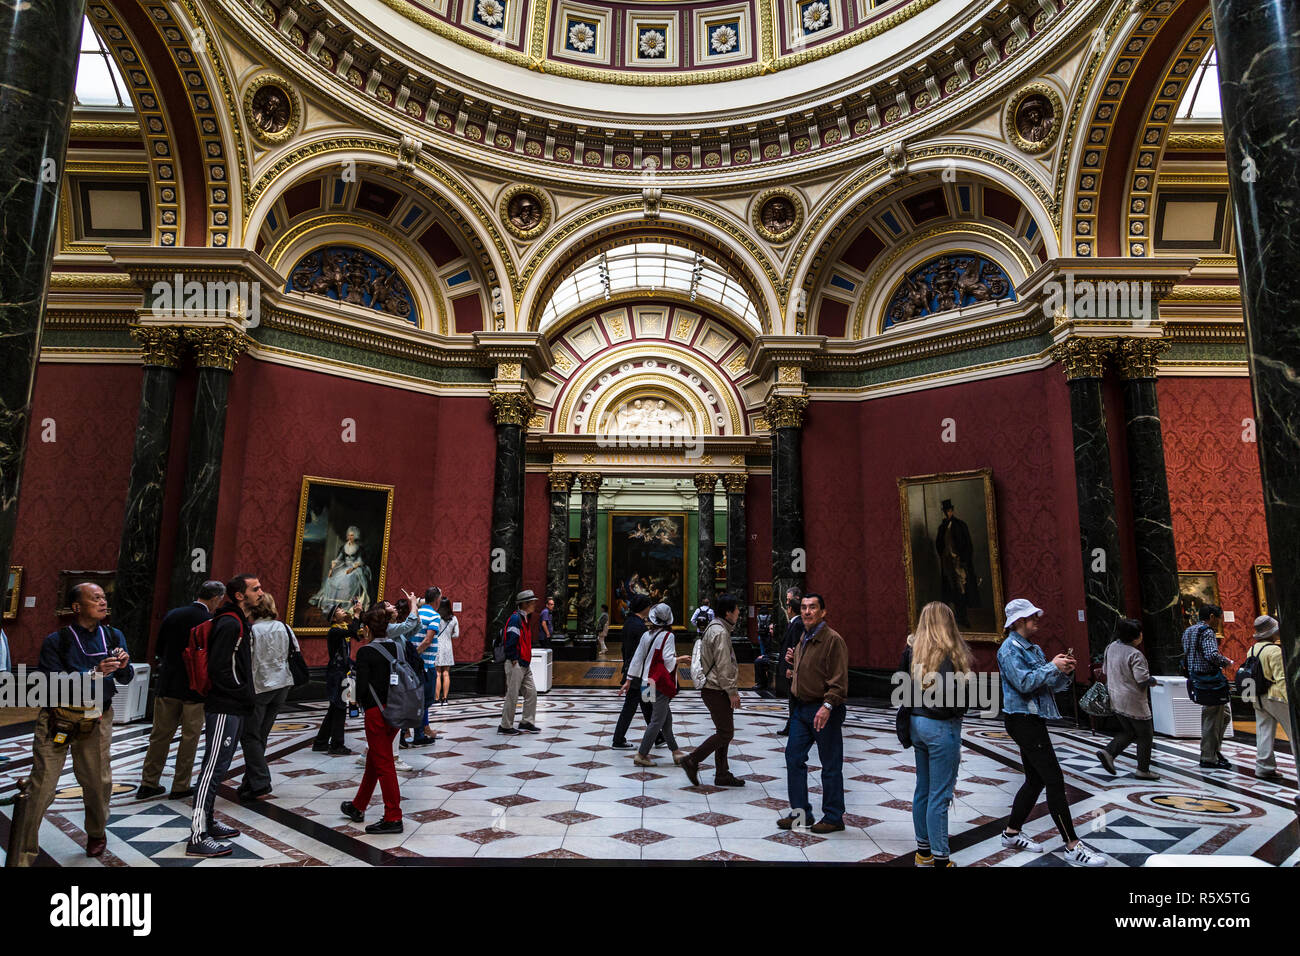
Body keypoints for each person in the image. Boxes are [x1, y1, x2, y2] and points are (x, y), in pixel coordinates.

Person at [13, 583, 134, 865]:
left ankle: (96, 831)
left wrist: (125, 665)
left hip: (97, 717)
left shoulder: (114, 635)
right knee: (42, 786)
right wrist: (94, 672)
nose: (103, 602)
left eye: (104, 598)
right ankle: (22, 853)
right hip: (58, 718)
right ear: (77, 607)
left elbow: (125, 678)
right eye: (95, 599)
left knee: (97, 782)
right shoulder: (58, 640)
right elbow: (49, 685)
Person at [998, 598, 1104, 866]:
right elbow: (1023, 683)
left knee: (1036, 780)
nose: (1037, 620)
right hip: (1022, 719)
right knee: (1054, 780)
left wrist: (1063, 672)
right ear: (1019, 621)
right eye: (1032, 616)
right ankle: (1072, 845)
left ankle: (1011, 833)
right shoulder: (1010, 650)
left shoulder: (1031, 648)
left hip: (1033, 718)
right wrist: (1051, 667)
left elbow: (1047, 686)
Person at [187, 574, 263, 857]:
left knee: (219, 768)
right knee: (212, 770)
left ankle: (207, 821)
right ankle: (197, 835)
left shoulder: (239, 621)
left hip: (234, 705)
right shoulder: (231, 623)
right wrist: (242, 692)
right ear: (240, 595)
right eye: (255, 589)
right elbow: (221, 668)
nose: (261, 592)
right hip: (224, 705)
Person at [340, 593, 423, 833]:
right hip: (395, 710)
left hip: (376, 713)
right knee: (374, 760)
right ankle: (358, 805)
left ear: (367, 629)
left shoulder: (366, 652)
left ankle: (393, 817)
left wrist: (355, 702)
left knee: (384, 763)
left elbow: (362, 689)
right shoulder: (396, 648)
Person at [137, 581, 226, 800]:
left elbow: (159, 648)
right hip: (195, 689)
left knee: (159, 736)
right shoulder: (209, 621)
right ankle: (180, 785)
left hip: (168, 684)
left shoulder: (173, 614)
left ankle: (148, 783)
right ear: (215, 598)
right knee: (190, 738)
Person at [900, 601, 971, 867]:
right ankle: (942, 859)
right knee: (940, 795)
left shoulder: (911, 650)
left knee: (923, 790)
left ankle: (923, 853)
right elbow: (957, 702)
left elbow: (900, 688)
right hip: (941, 727)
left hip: (917, 724)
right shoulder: (949, 654)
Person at [778, 593, 848, 834]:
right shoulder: (803, 638)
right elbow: (809, 669)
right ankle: (801, 814)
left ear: (823, 612)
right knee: (793, 758)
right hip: (801, 709)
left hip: (823, 709)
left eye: (813, 608)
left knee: (830, 764)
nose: (807, 612)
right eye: (805, 608)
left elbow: (839, 681)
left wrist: (827, 706)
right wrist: (794, 662)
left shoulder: (832, 640)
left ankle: (833, 816)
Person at [238, 593, 296, 802]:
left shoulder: (253, 630)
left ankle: (261, 781)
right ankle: (249, 783)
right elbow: (295, 650)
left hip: (260, 685)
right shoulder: (284, 627)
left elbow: (247, 658)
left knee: (249, 735)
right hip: (282, 685)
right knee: (260, 735)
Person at [681, 594, 744, 787]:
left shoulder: (716, 627)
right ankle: (692, 759)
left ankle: (722, 774)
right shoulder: (720, 632)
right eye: (736, 610)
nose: (738, 613)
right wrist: (732, 691)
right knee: (726, 733)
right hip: (716, 688)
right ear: (728, 612)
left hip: (715, 688)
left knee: (723, 731)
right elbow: (724, 665)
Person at [621, 603, 686, 767]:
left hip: (645, 683)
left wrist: (628, 680)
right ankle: (641, 754)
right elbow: (668, 661)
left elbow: (637, 658)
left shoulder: (646, 635)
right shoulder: (668, 636)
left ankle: (676, 752)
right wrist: (681, 659)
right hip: (659, 683)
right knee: (657, 720)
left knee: (665, 719)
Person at [1097, 618, 1160, 781]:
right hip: (1133, 701)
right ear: (1135, 636)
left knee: (1130, 731)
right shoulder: (1135, 654)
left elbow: (1104, 669)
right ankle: (1142, 770)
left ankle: (1108, 752)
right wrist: (1153, 681)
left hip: (1115, 697)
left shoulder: (1111, 647)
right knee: (1146, 734)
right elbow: (1141, 679)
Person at [1182, 603, 1232, 770]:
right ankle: (1209, 757)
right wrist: (1227, 662)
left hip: (1196, 678)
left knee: (1224, 715)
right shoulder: (1207, 631)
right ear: (1212, 617)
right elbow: (1211, 654)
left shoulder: (1188, 630)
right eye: (1218, 618)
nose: (1219, 622)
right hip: (1209, 681)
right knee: (1211, 717)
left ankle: (1214, 750)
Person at [1245, 615, 1289, 781]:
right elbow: (1281, 678)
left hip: (1258, 696)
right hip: (1275, 696)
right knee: (1294, 732)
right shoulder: (1275, 651)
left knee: (1264, 731)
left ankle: (1264, 767)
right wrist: (1290, 701)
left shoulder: (1253, 649)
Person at [611, 595, 657, 749]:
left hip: (635, 671)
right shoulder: (639, 627)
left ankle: (658, 736)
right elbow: (642, 654)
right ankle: (618, 740)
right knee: (636, 705)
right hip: (640, 673)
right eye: (649, 606)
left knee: (648, 704)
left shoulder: (630, 623)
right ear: (644, 608)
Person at [313, 604, 357, 754]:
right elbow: (351, 631)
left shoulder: (342, 629)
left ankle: (320, 742)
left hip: (341, 672)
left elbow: (355, 633)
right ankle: (337, 744)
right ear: (333, 617)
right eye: (339, 610)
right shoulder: (334, 631)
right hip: (336, 674)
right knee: (339, 708)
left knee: (334, 708)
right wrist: (356, 614)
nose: (342, 610)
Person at [499, 589, 541, 735]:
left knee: (531, 693)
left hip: (524, 662)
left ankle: (527, 721)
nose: (535, 604)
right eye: (532, 602)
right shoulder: (516, 619)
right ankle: (505, 726)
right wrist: (514, 658)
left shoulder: (524, 618)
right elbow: (510, 639)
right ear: (525, 604)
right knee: (512, 695)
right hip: (515, 662)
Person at [935, 499, 980, 627]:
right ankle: (951, 620)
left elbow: (967, 544)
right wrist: (944, 556)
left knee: (962, 590)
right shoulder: (942, 527)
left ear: (952, 511)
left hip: (959, 563)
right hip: (947, 564)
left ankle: (963, 618)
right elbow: (939, 544)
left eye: (949, 510)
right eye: (945, 511)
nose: (947, 513)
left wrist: (963, 559)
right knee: (950, 590)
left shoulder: (960, 526)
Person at [409, 586, 441, 747]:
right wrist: (416, 655)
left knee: (414, 698)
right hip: (426, 665)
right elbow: (428, 640)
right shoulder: (435, 616)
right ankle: (419, 734)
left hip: (412, 666)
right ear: (437, 600)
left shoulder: (416, 613)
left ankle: (416, 732)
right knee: (425, 700)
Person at [774, 588, 805, 735]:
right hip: (789, 667)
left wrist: (790, 667)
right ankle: (792, 724)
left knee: (794, 699)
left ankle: (793, 726)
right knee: (792, 699)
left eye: (787, 602)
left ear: (791, 608)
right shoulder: (794, 622)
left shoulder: (798, 624)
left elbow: (794, 646)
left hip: (791, 668)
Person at [435, 596, 458, 705]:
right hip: (448, 646)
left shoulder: (436, 617)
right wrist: (449, 635)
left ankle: (436, 698)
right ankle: (445, 697)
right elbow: (456, 634)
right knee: (446, 673)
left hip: (438, 645)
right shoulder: (453, 618)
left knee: (437, 673)